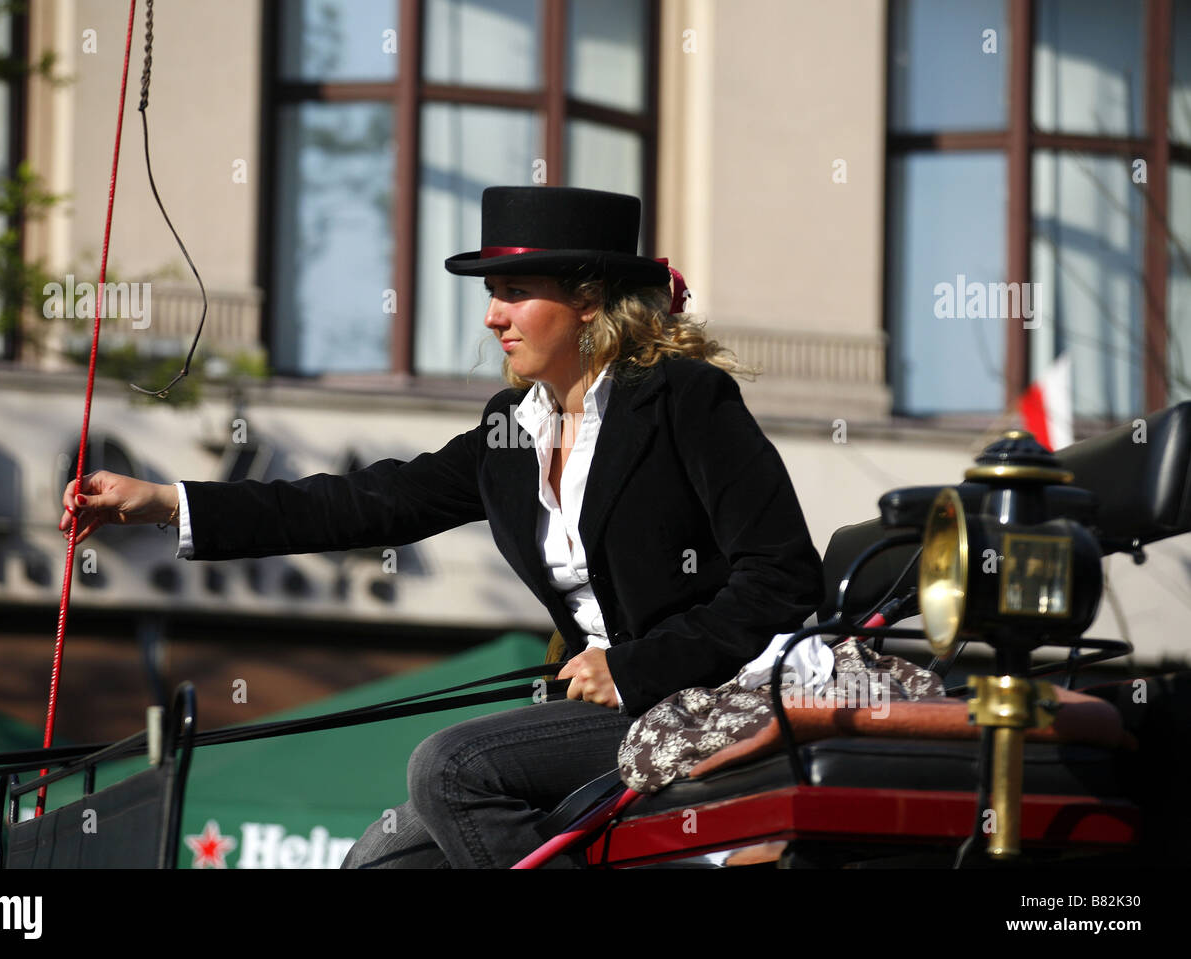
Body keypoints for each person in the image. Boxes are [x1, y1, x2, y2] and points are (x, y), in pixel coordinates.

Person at [59, 185, 825, 868]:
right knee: (382, 855)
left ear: (588, 299)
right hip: (610, 711)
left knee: (453, 768)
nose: (493, 316)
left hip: (713, 697)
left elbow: (784, 578)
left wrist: (635, 664)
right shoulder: (512, 430)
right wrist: (165, 501)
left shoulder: (686, 399)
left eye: (516, 292)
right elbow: (364, 503)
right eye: (492, 293)